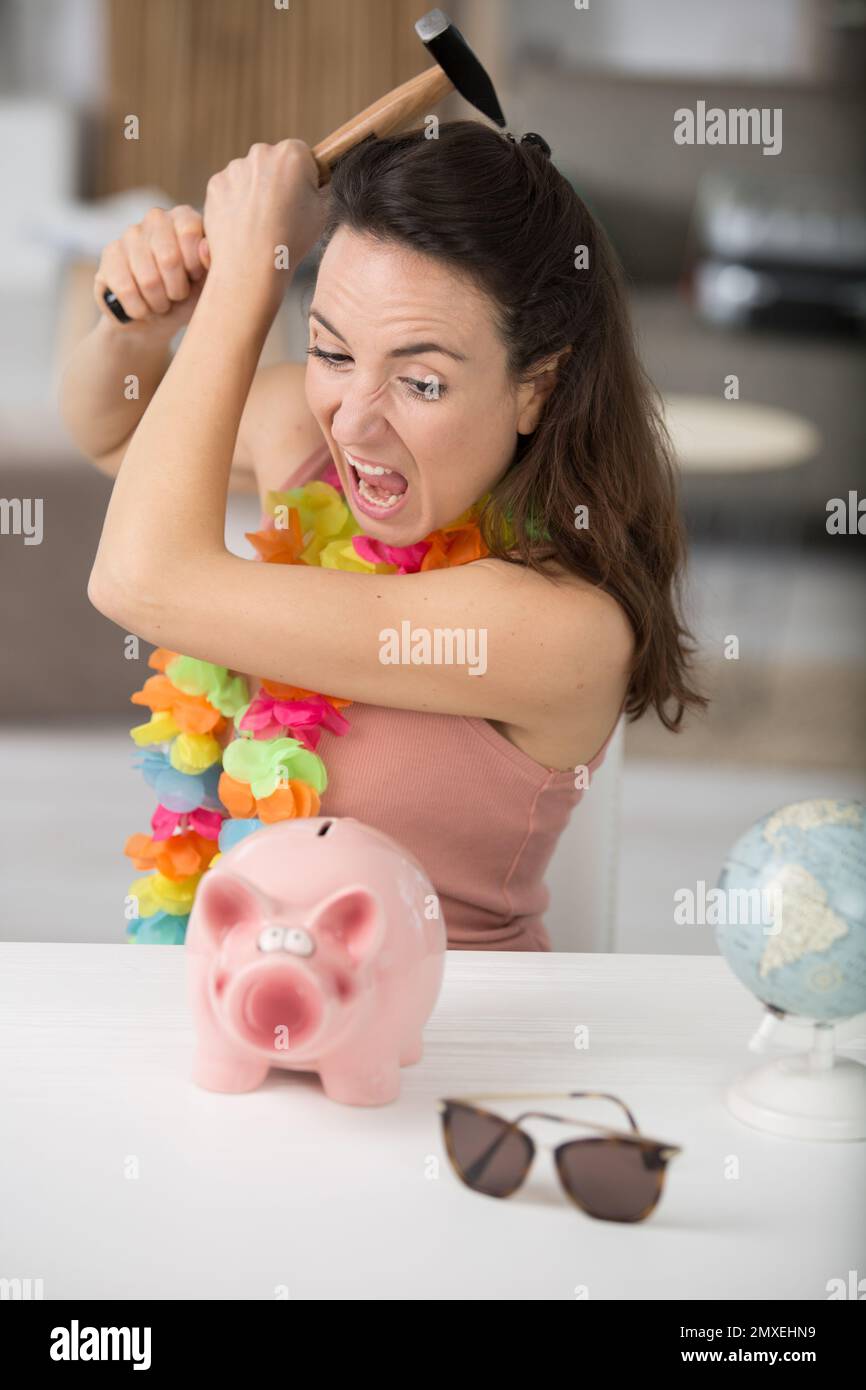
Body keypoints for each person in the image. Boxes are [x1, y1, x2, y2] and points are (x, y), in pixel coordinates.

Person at [60, 120, 706, 951]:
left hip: (451, 1053)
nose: (354, 423)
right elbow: (117, 432)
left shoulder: (557, 626)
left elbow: (138, 579)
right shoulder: (310, 441)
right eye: (330, 351)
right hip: (245, 1020)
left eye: (422, 381)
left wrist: (247, 286)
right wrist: (139, 322)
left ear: (535, 390)